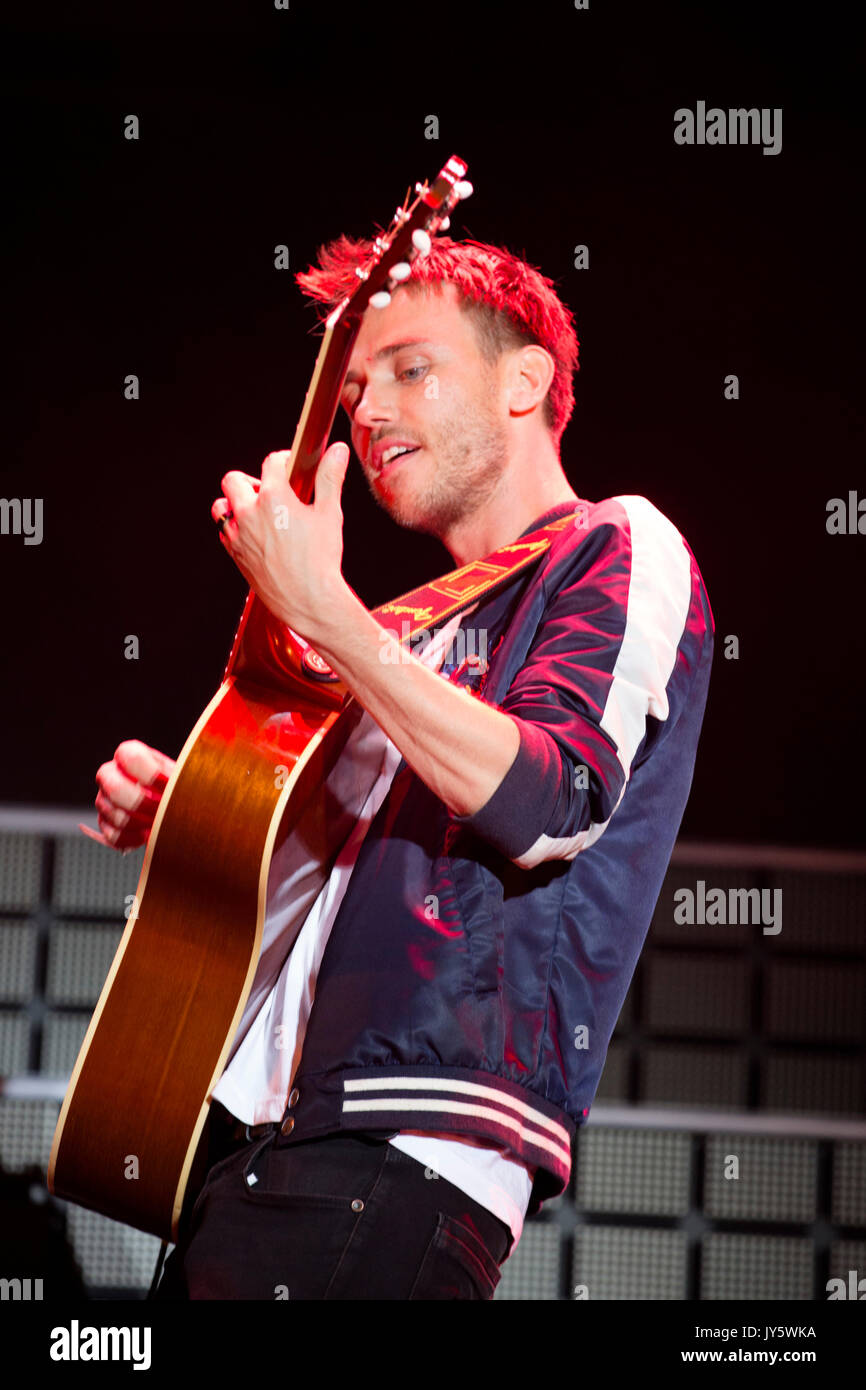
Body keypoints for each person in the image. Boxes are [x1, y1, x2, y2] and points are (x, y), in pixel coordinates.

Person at [92, 236, 714, 1300]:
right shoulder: (405, 641)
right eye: (354, 388)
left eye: (410, 369)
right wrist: (204, 811)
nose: (368, 410)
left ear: (524, 382)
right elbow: (331, 879)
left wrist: (322, 611)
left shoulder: (618, 543)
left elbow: (549, 798)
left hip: (402, 1157)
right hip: (250, 1148)